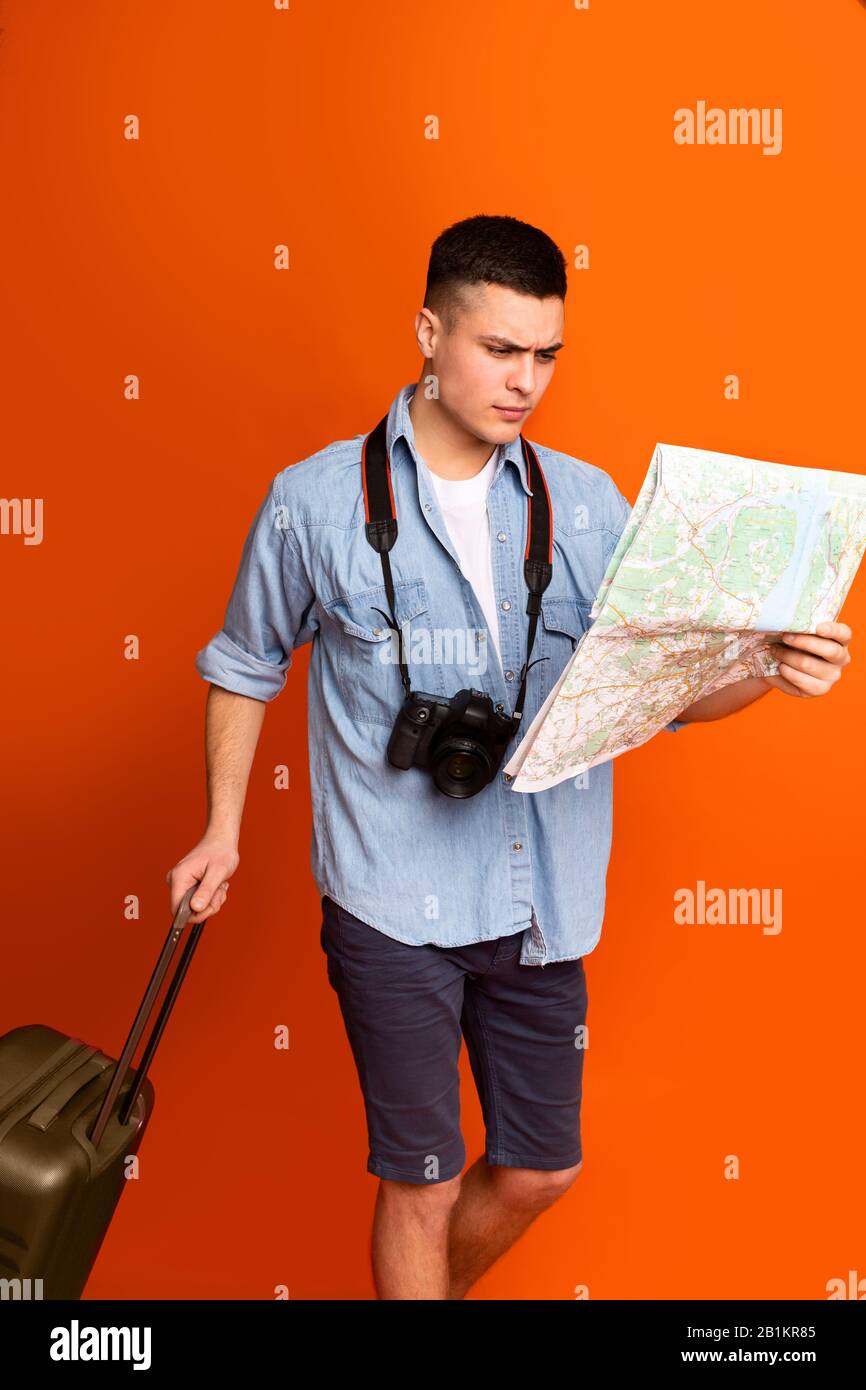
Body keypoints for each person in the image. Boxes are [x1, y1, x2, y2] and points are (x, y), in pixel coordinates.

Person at [166, 213, 849, 1300]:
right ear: (429, 332)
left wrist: (766, 666)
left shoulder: (586, 504)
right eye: (498, 349)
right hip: (390, 894)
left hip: (540, 897)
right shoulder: (313, 502)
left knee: (539, 1166)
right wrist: (221, 828)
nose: (524, 380)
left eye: (544, 355)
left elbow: (662, 696)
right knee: (421, 1185)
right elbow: (245, 664)